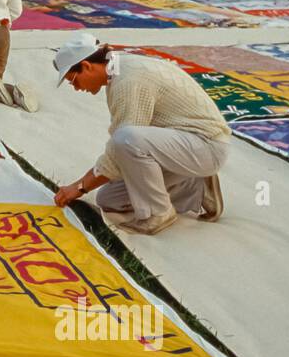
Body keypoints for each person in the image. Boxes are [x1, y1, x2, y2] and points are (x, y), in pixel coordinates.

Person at [51, 32, 230, 235]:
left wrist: (79, 186)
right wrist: (86, 185)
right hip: (183, 147)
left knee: (126, 139)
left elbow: (122, 147)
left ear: (86, 66)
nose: (75, 88)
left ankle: (159, 213)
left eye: (73, 80)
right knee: (109, 199)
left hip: (205, 145)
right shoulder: (119, 71)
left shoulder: (128, 80)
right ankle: (195, 186)